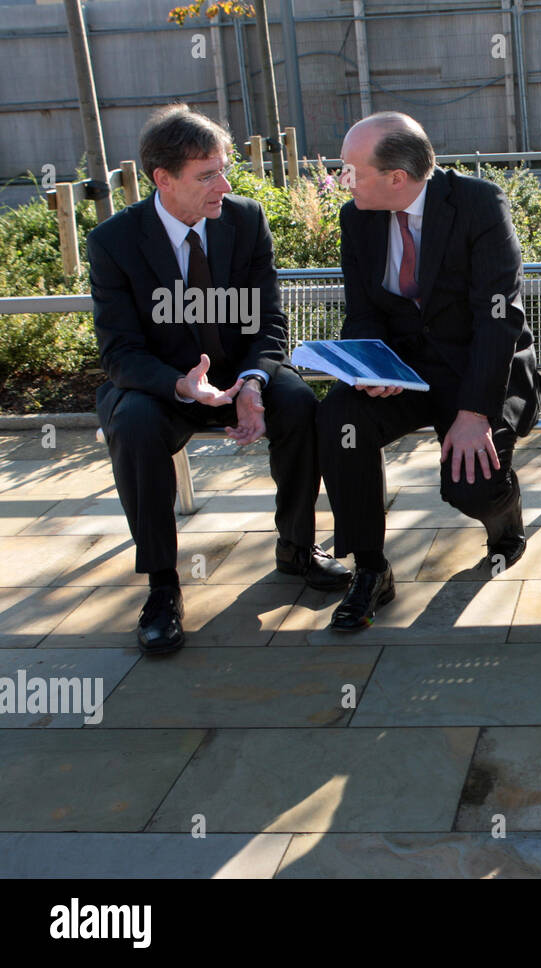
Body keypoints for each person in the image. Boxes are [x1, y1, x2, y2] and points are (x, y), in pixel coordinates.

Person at [89, 104, 350, 656]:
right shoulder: (115, 240)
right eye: (207, 175)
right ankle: (162, 586)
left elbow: (269, 318)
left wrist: (253, 383)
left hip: (238, 372)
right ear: (163, 179)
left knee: (299, 402)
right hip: (158, 387)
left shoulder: (245, 219)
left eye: (224, 169)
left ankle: (297, 547)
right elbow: (119, 352)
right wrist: (183, 386)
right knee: (132, 423)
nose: (224, 184)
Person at [318, 112, 541, 631]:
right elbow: (363, 310)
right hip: (402, 370)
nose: (341, 179)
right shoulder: (358, 216)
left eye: (350, 169)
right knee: (339, 421)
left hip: (478, 368)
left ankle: (505, 513)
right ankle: (371, 570)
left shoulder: (477, 204)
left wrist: (474, 412)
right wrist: (368, 364)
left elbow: (498, 314)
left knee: (470, 486)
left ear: (397, 178)